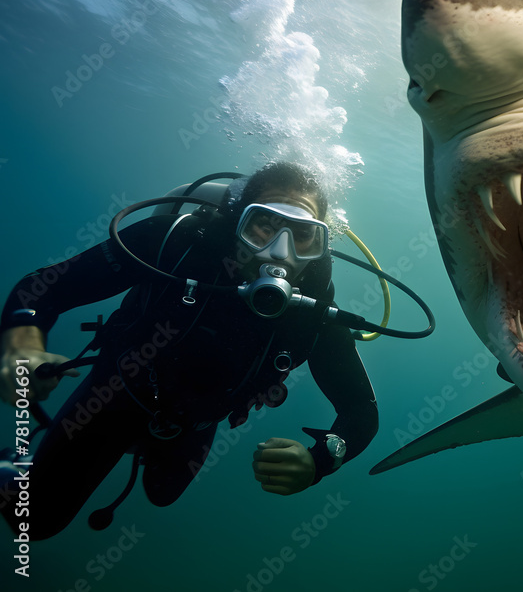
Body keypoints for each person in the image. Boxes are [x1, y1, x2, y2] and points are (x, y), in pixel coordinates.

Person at [0, 162, 378, 539]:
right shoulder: (174, 243)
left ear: (319, 244)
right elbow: (44, 288)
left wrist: (320, 461)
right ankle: (8, 469)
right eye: (264, 225)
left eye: (302, 235)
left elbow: (360, 409)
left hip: (194, 424)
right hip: (111, 397)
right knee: (33, 523)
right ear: (237, 223)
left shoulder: (312, 313)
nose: (279, 253)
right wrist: (23, 345)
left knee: (163, 494)